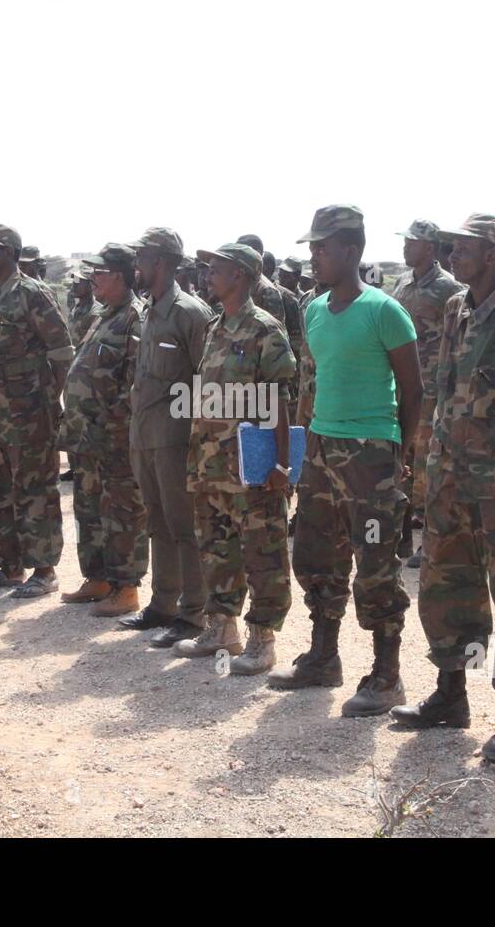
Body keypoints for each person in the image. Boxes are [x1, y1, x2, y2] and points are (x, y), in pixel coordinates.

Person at [389, 214, 495, 764]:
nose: (453, 253)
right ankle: (451, 695)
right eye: (452, 245)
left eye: (465, 247)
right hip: (449, 476)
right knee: (445, 583)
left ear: (493, 255)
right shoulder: (458, 308)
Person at [270, 205, 423, 717]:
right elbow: (311, 385)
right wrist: (299, 447)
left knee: (375, 564)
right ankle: (323, 656)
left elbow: (414, 387)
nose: (313, 257)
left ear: (351, 251)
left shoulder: (384, 310)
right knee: (316, 555)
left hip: (371, 453)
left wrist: (400, 451)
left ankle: (386, 676)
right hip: (320, 448)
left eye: (322, 248)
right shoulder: (313, 310)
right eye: (311, 248)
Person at [173, 242, 296, 674]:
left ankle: (263, 638)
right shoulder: (214, 326)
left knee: (263, 551)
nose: (208, 276)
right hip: (211, 462)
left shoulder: (265, 328)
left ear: (240, 275)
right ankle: (221, 627)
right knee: (216, 546)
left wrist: (283, 465)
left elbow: (281, 401)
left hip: (251, 465)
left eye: (217, 269)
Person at [0, 224, 73, 597]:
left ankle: (44, 570)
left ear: (10, 252)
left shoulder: (32, 292)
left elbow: (61, 353)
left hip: (28, 408)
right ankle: (8, 567)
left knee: (34, 486)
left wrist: (48, 401)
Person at [122, 227, 214, 645]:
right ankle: (163, 604)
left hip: (176, 439)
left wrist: (200, 443)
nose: (135, 266)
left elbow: (206, 382)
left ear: (159, 261)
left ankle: (194, 614)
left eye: (141, 257)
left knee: (184, 527)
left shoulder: (190, 313)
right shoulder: (146, 310)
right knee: (156, 523)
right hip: (145, 434)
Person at [59, 243, 148, 615]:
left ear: (120, 276)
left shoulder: (134, 318)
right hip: (87, 437)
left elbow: (136, 384)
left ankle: (126, 587)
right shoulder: (103, 315)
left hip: (113, 438)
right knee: (89, 508)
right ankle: (97, 577)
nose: (93, 279)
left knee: (122, 511)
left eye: (100, 273)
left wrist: (110, 425)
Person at [391, 219, 463, 568]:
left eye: (412, 242)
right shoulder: (402, 284)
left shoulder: (449, 288)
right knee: (400, 458)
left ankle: (428, 542)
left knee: (428, 466)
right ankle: (401, 537)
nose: (405, 247)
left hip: (433, 390)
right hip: (402, 387)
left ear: (430, 248)